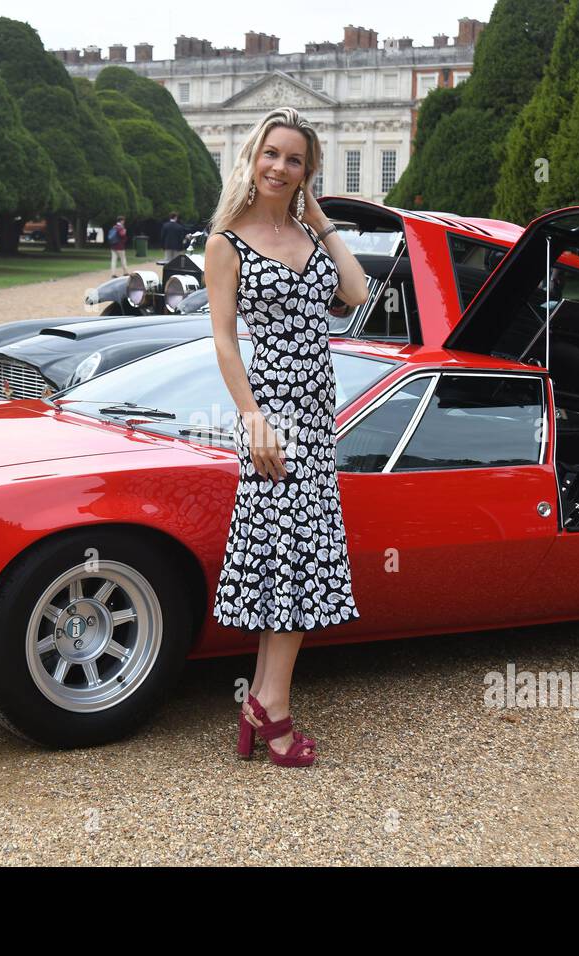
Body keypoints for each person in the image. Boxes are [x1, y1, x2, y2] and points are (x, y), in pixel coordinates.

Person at [204, 107, 370, 767]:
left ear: (307, 172)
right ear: (254, 156)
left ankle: (265, 702)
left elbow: (355, 292)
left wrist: (321, 218)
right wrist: (251, 419)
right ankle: (269, 707)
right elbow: (221, 338)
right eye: (272, 154)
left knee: (294, 562)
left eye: (294, 160)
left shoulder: (308, 234)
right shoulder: (226, 241)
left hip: (316, 415)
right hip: (270, 416)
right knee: (292, 559)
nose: (279, 167)